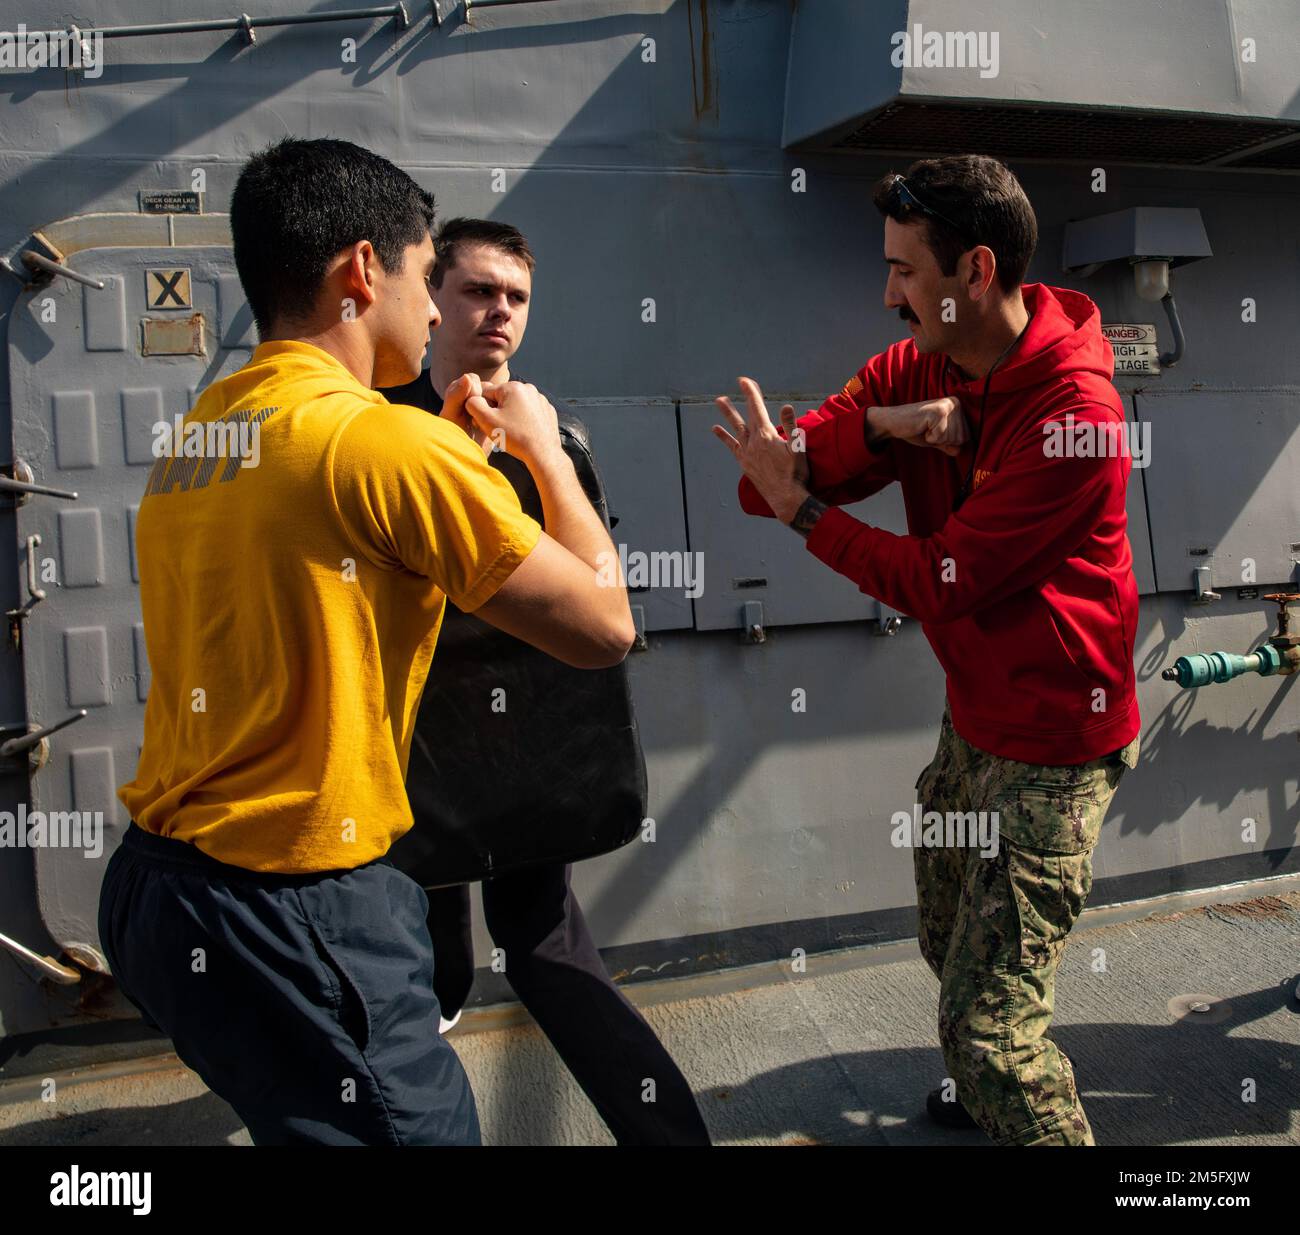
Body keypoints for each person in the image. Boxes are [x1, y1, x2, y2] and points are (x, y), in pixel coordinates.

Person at [97, 138, 635, 1146]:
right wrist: (544, 451)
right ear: (359, 272)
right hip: (298, 903)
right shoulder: (386, 440)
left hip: (159, 895)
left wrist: (457, 464)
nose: (435, 310)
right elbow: (605, 625)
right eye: (427, 277)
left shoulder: (204, 436)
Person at [714, 154, 1141, 1147]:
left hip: (1053, 742)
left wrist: (806, 506)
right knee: (945, 934)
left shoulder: (1078, 419)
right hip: (975, 718)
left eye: (904, 272)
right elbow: (762, 477)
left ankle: (1006, 1093)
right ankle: (984, 1085)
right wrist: (890, 423)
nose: (887, 293)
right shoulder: (923, 365)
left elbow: (933, 576)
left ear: (975, 271)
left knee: (992, 1030)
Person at [379, 218, 711, 1146]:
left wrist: (543, 457)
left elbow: (594, 602)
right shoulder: (378, 427)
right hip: (410, 752)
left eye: (516, 297)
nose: (498, 313)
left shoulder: (548, 432)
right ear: (432, 295)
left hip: (523, 746)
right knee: (420, 967)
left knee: (545, 944)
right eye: (480, 290)